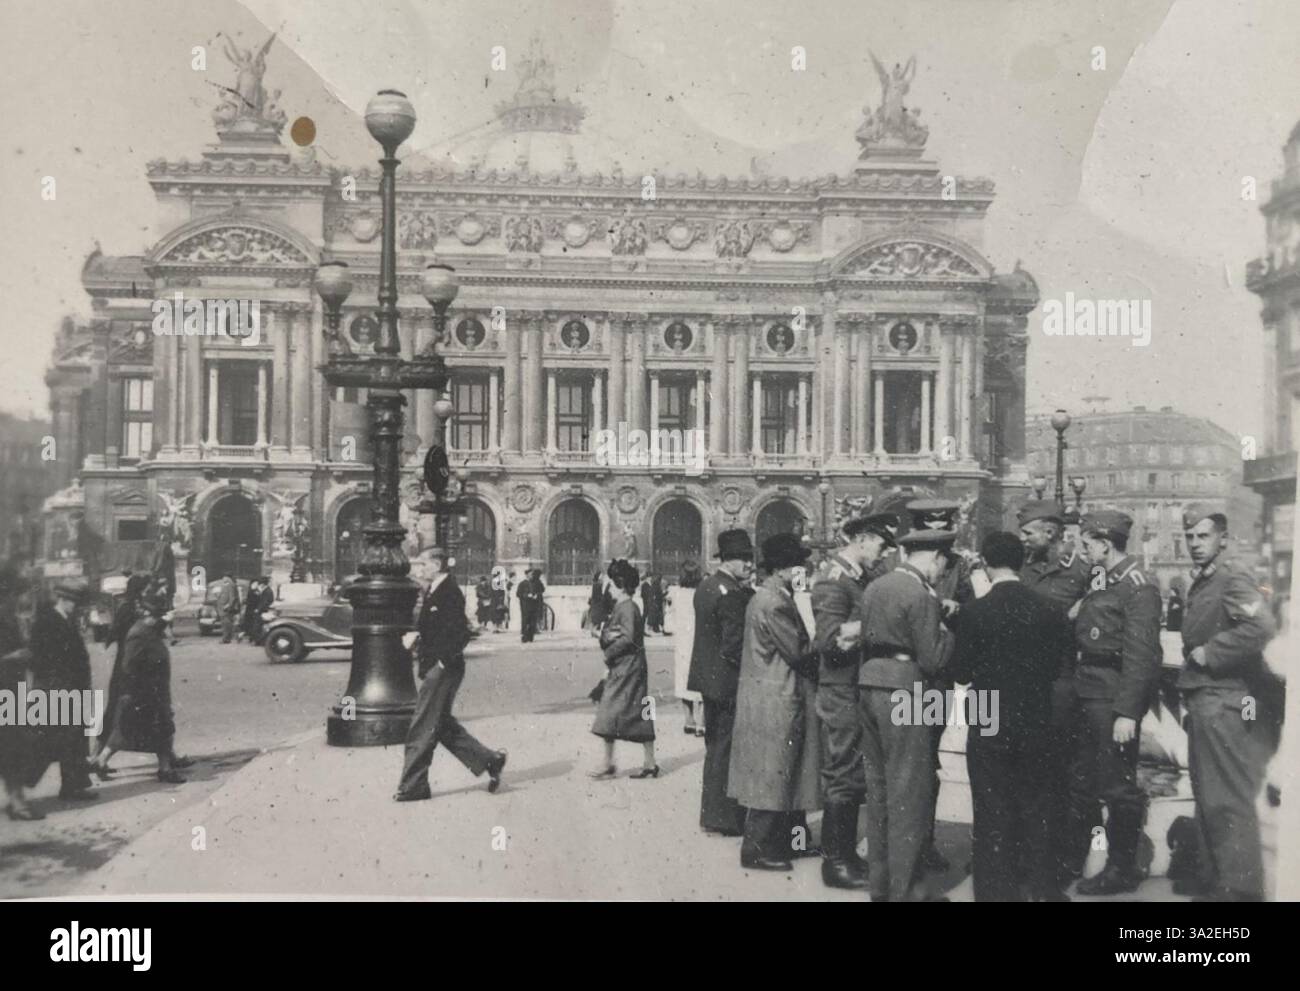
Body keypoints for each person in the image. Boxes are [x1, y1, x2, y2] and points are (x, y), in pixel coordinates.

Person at [952, 532, 1072, 901]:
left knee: (991, 809)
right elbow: (1059, 666)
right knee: (1038, 804)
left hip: (988, 713)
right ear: (1021, 562)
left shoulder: (975, 611)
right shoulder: (1051, 609)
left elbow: (961, 673)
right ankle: (1043, 889)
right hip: (1035, 714)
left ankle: (994, 892)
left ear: (986, 564)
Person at [1177, 504, 1276, 901]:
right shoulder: (1204, 579)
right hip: (1207, 698)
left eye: (1204, 536)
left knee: (1226, 797)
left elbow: (1261, 626)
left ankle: (1238, 887)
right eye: (1190, 536)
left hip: (1225, 698)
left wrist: (1213, 652)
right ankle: (1215, 877)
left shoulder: (1231, 577)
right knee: (1207, 794)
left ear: (1222, 539)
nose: (1195, 544)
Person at [857, 526, 956, 902]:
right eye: (942, 566)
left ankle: (880, 889)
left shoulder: (874, 586)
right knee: (909, 794)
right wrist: (948, 632)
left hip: (870, 685)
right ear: (936, 558)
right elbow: (933, 658)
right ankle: (910, 892)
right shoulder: (922, 594)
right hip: (907, 690)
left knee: (879, 792)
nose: (941, 573)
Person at [1067, 510, 1162, 895]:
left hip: (1111, 696)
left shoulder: (1138, 587)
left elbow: (1142, 656)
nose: (1082, 549)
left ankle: (1121, 868)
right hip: (1088, 691)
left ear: (1105, 544)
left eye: (1087, 543)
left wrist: (1127, 712)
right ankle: (1083, 856)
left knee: (1118, 786)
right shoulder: (1103, 580)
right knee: (1082, 780)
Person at [811, 513, 896, 889]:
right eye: (880, 543)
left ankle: (846, 854)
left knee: (855, 772)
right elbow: (830, 640)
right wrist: (880, 623)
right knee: (843, 773)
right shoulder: (834, 581)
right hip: (841, 688)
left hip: (857, 686)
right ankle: (837, 862)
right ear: (862, 539)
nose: (883, 552)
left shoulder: (862, 578)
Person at [728, 534, 822, 871]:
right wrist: (830, 640)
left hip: (774, 694)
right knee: (774, 774)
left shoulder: (772, 596)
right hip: (779, 697)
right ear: (785, 569)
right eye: (801, 566)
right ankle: (756, 850)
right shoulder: (775, 602)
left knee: (790, 773)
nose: (805, 572)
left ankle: (792, 842)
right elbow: (798, 652)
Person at [1017, 499, 1090, 887]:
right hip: (1026, 685)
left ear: (1050, 532)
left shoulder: (1081, 573)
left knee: (1065, 777)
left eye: (1029, 532)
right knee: (1028, 775)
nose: (1024, 539)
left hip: (1063, 687)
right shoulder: (1020, 571)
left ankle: (1065, 859)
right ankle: (1029, 856)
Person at [395, 549, 507, 801]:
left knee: (422, 725)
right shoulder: (436, 589)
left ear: (436, 565)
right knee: (442, 724)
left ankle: (414, 786)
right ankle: (490, 760)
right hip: (438, 665)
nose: (419, 568)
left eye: (423, 563)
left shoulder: (448, 592)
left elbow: (461, 633)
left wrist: (442, 661)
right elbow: (440, 630)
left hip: (442, 668)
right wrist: (420, 639)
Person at [903, 499, 971, 874]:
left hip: (936, 680)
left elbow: (970, 610)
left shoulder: (958, 566)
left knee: (928, 759)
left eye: (942, 530)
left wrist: (957, 609)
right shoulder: (898, 565)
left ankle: (923, 841)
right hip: (906, 675)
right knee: (903, 761)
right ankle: (898, 843)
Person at [687, 529, 755, 837]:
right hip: (727, 682)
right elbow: (732, 645)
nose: (750, 566)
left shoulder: (707, 586)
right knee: (726, 750)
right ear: (733, 561)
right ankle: (724, 818)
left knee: (714, 747)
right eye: (746, 560)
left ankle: (711, 814)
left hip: (707, 679)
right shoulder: (732, 594)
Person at [91, 592, 186, 784]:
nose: (157, 619)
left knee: (158, 728)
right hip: (144, 691)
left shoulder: (149, 629)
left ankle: (164, 767)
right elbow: (128, 666)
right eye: (155, 616)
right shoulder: (138, 634)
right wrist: (139, 688)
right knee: (134, 730)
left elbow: (159, 625)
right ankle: (102, 761)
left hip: (155, 691)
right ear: (146, 615)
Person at [26, 580, 96, 801]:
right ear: (62, 600)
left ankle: (72, 787)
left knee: (72, 739)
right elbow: (37, 658)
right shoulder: (46, 622)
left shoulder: (67, 620)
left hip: (71, 689)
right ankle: (19, 782)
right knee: (53, 740)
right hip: (55, 690)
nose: (76, 607)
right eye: (73, 603)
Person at [589, 559, 658, 778]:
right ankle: (645, 763)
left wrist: (608, 645)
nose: (607, 587)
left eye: (610, 583)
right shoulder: (624, 606)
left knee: (611, 712)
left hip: (628, 668)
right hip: (626, 667)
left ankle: (615, 763)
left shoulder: (627, 607)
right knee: (631, 714)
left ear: (618, 584)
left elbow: (627, 637)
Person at [92, 571, 151, 771]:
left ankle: (96, 757)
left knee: (121, 711)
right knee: (117, 712)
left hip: (130, 664)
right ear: (141, 590)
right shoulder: (129, 609)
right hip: (126, 667)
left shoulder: (134, 607)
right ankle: (95, 757)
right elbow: (115, 633)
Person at [1, 566, 39, 819]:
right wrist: (12, 657)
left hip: (12, 690)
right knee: (10, 745)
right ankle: (16, 801)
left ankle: (16, 799)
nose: (16, 599)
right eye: (15, 594)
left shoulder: (11, 619)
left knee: (13, 745)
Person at [673, 561, 705, 736]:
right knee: (700, 679)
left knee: (683, 679)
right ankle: (701, 721)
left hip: (682, 642)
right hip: (698, 639)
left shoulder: (677, 593)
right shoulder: (702, 593)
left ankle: (688, 719)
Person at [517, 568, 545, 643]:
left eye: (532, 574)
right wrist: (527, 595)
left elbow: (541, 590)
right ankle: (524, 636)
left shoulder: (535, 582)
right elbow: (518, 594)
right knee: (525, 621)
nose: (532, 576)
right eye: (530, 574)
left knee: (533, 621)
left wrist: (536, 595)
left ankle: (530, 636)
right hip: (525, 605)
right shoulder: (522, 583)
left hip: (533, 605)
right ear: (526, 575)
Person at [217, 573, 241, 644]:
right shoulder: (227, 584)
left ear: (227, 577)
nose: (223, 579)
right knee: (229, 624)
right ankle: (235, 636)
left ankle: (226, 639)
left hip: (226, 608)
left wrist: (228, 605)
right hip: (223, 608)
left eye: (224, 577)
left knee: (226, 624)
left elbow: (232, 597)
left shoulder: (230, 585)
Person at [588, 569, 611, 637]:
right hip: (597, 604)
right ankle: (593, 631)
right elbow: (598, 594)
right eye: (601, 576)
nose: (602, 577)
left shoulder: (596, 583)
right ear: (598, 576)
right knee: (598, 618)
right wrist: (603, 598)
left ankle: (593, 631)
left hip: (595, 603)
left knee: (596, 619)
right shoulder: (598, 584)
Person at [239, 578, 262, 643]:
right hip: (250, 610)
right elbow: (252, 601)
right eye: (256, 583)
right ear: (252, 584)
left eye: (257, 583)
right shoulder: (252, 591)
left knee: (251, 625)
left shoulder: (255, 591)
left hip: (251, 610)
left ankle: (249, 638)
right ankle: (242, 635)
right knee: (249, 624)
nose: (257, 585)